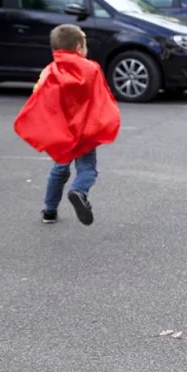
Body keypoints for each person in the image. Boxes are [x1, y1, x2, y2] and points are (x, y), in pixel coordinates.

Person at [13, 24, 120, 226]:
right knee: (87, 169)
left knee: (59, 170)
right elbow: (101, 97)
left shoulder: (50, 72)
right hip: (85, 131)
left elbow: (40, 97)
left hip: (62, 133)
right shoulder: (91, 69)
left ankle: (49, 211)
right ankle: (79, 191)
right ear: (80, 47)